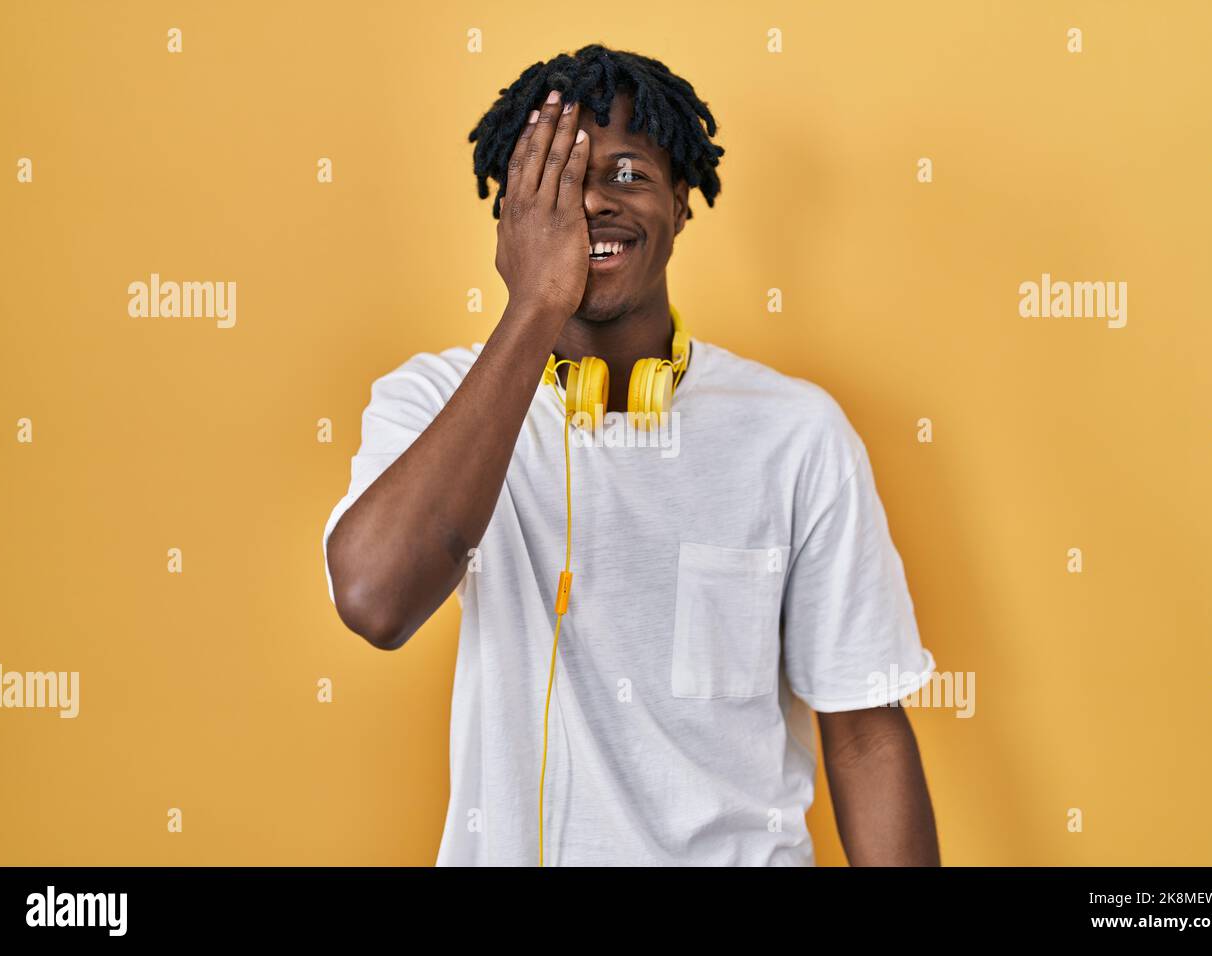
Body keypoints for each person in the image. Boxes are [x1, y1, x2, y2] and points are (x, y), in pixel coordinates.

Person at [323, 44, 939, 866]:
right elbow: (374, 598)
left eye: (626, 174)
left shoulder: (797, 433)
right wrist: (536, 305)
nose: (592, 206)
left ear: (682, 206)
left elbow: (864, 735)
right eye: (556, 180)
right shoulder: (433, 402)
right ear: (512, 217)